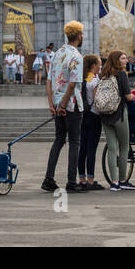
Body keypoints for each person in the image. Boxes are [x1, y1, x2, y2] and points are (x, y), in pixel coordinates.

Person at [40, 21, 85, 194]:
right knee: (74, 142)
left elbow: (49, 81)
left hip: (58, 104)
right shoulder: (76, 56)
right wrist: (65, 105)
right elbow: (73, 84)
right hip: (71, 105)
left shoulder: (57, 54)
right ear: (79, 36)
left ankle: (48, 179)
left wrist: (52, 105)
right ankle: (71, 182)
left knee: (59, 140)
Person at [97, 50, 135, 191]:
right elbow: (127, 96)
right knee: (124, 146)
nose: (126, 60)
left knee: (112, 148)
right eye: (123, 58)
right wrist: (132, 97)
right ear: (116, 60)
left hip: (105, 115)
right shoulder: (121, 74)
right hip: (119, 114)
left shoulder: (103, 75)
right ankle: (122, 180)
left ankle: (113, 182)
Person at [76, 54, 104, 190]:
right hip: (94, 116)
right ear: (94, 65)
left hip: (83, 116)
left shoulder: (85, 78)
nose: (101, 66)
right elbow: (97, 101)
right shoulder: (95, 81)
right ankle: (91, 180)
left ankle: (81, 179)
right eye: (99, 64)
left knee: (83, 149)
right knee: (91, 149)